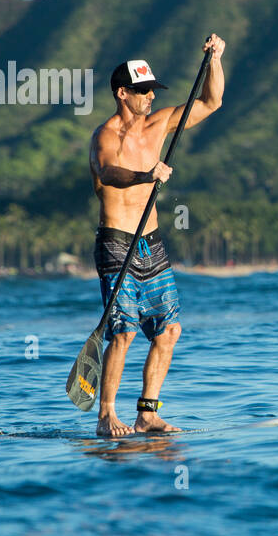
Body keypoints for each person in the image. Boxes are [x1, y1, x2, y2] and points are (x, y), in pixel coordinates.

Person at [88, 35, 226, 436]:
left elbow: (210, 103)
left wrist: (215, 59)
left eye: (153, 90)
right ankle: (106, 415)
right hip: (116, 243)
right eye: (143, 91)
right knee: (124, 332)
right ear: (122, 93)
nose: (150, 97)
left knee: (169, 330)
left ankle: (147, 413)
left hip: (153, 244)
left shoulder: (160, 123)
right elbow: (108, 172)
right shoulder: (105, 136)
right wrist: (147, 175)